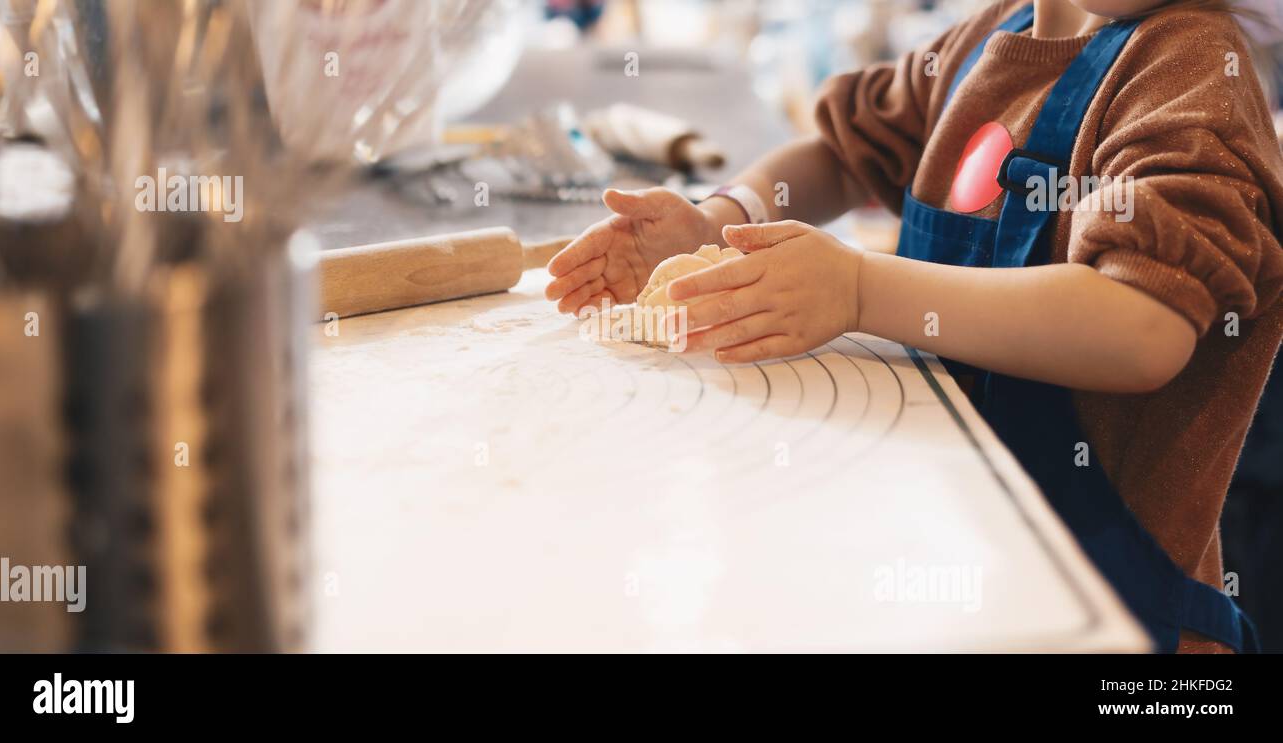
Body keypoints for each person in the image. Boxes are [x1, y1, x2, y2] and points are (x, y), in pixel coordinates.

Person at [546, 0, 1283, 653]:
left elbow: (1142, 328)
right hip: (950, 562)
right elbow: (841, 153)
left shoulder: (1188, 67)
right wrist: (721, 219)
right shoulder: (986, 41)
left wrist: (861, 288)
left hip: (1111, 614)